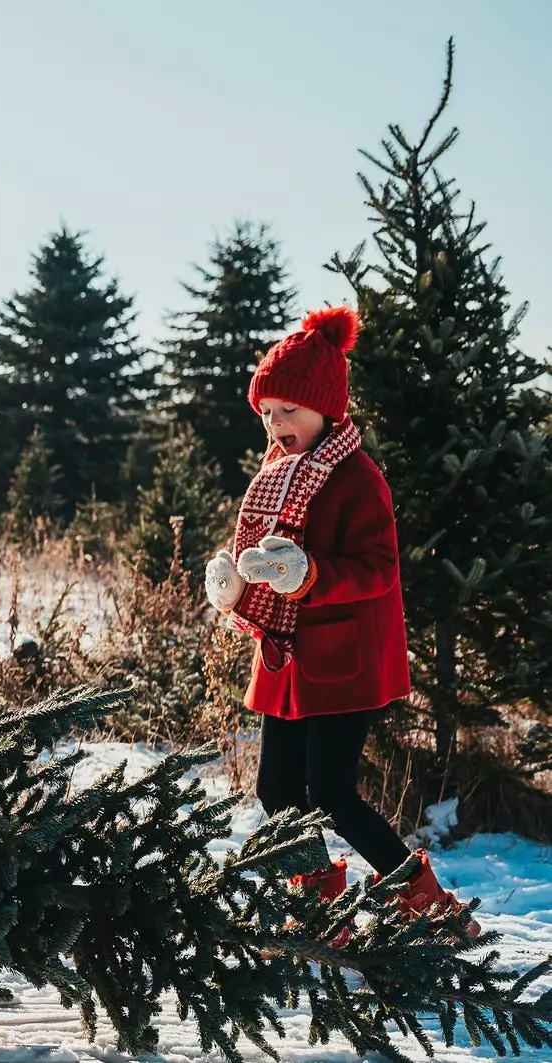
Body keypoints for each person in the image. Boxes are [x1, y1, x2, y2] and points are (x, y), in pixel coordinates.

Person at [203, 306, 474, 931]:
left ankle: (425, 902)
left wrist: (311, 575)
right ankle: (322, 904)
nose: (276, 424)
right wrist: (237, 584)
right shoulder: (276, 475)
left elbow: (379, 569)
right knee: (276, 793)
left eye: (289, 411)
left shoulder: (357, 477)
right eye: (267, 412)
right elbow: (266, 556)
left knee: (331, 794)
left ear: (326, 407)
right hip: (285, 656)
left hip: (342, 662)